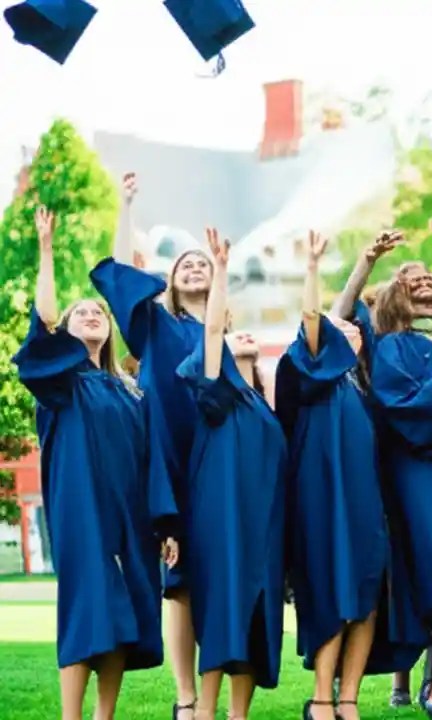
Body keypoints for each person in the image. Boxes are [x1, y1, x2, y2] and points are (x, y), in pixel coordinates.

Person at [13, 206, 177, 720]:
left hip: (130, 514)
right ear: (66, 326)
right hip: (81, 510)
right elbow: (42, 322)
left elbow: (153, 461)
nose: (93, 315)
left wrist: (164, 524)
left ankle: (103, 717)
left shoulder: (130, 390)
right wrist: (45, 253)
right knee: (89, 609)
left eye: (100, 313)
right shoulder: (61, 384)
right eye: (82, 311)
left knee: (125, 611)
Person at [89, 173, 209, 720]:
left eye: (203, 262)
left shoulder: (226, 335)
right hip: (173, 460)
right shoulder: (157, 324)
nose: (194, 266)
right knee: (181, 583)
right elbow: (119, 280)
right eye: (185, 264)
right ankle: (185, 697)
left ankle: (214, 696)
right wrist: (127, 205)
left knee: (221, 577)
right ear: (170, 280)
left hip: (218, 460)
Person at [275, 231, 391, 720]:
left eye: (358, 329)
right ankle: (322, 697)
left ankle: (349, 700)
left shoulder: (364, 387)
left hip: (365, 502)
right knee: (328, 591)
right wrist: (318, 268)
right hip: (321, 499)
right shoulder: (313, 372)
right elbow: (314, 317)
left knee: (366, 595)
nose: (353, 330)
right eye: (342, 328)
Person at [177, 229, 287, 720]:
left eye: (246, 333)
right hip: (220, 522)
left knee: (257, 614)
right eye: (230, 331)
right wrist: (220, 271)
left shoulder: (265, 408)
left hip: (263, 528)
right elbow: (214, 331)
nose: (241, 333)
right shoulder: (215, 394)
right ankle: (204, 712)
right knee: (223, 610)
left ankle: (239, 716)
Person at [368, 251, 432, 720]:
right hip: (422, 464)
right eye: (412, 278)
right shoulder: (393, 345)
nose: (425, 280)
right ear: (397, 296)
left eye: (429, 276)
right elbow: (397, 405)